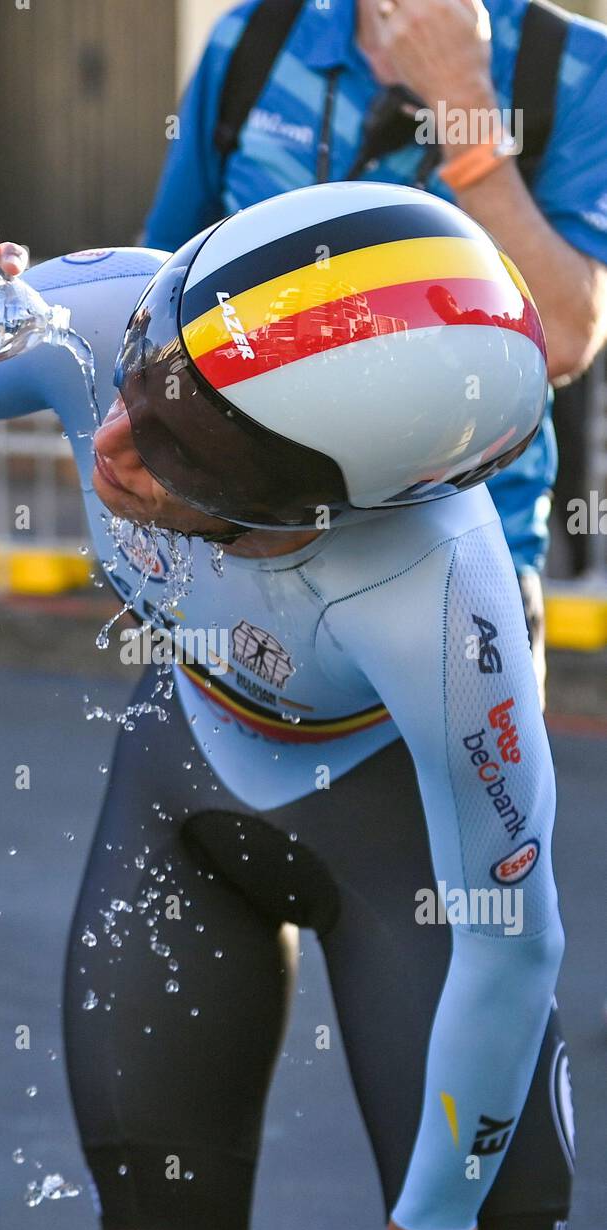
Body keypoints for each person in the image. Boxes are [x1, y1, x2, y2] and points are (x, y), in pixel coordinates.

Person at [0, 189, 573, 1230]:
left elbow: (510, 943)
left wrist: (434, 1226)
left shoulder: (446, 598)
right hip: (178, 784)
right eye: (147, 382)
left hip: (400, 856)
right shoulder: (107, 314)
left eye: (183, 460)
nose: (111, 442)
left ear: (320, 513)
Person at [143, 0, 607, 703]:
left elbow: (569, 337)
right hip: (242, 550)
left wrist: (464, 104)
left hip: (462, 570)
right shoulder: (257, 36)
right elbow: (157, 285)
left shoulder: (571, 64)